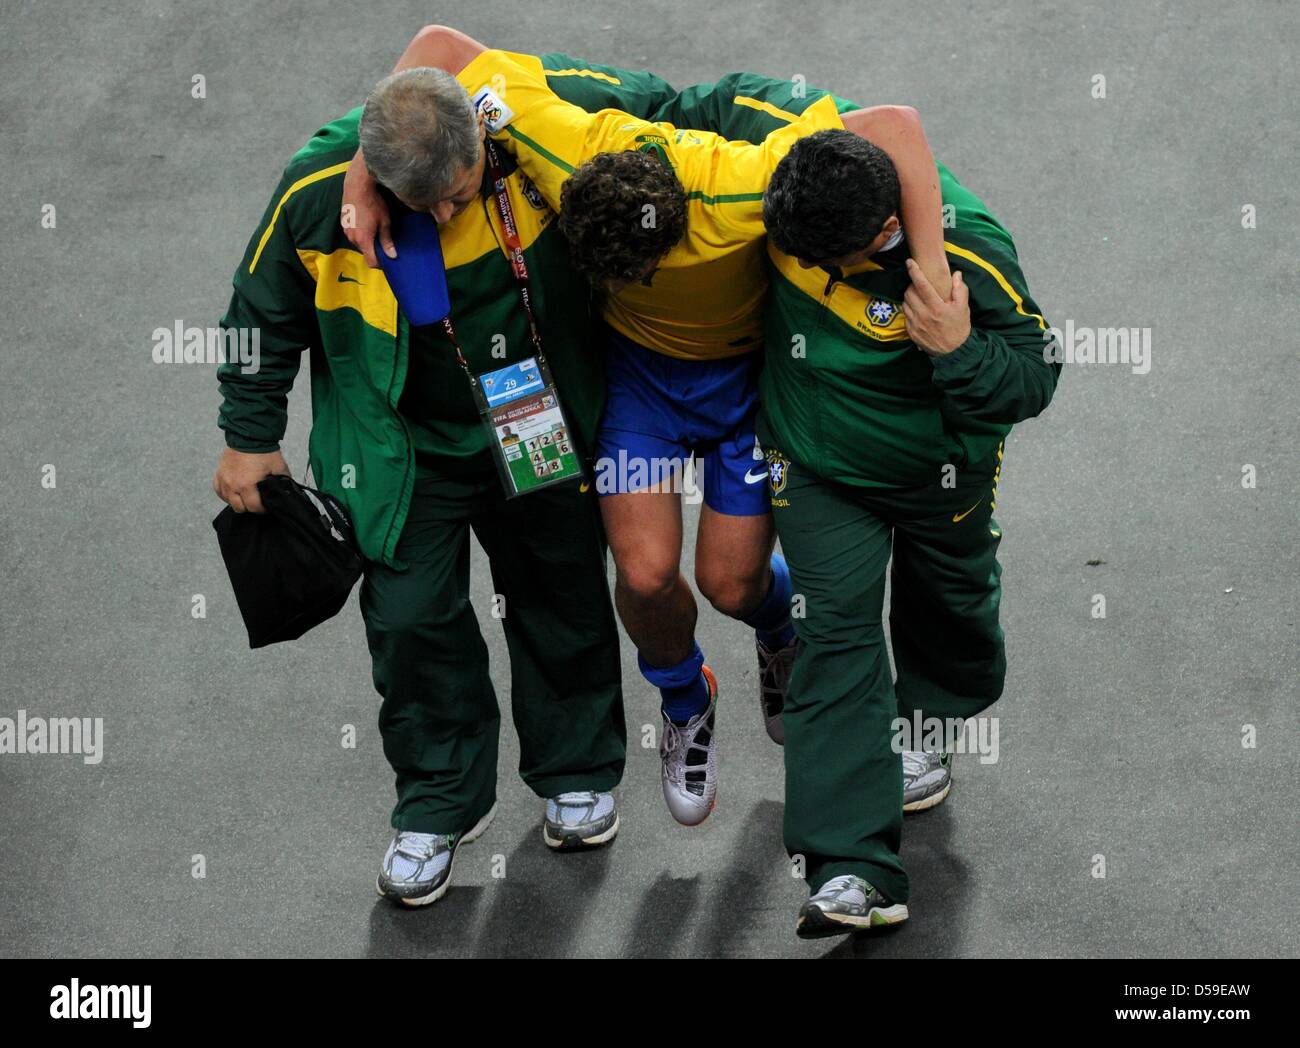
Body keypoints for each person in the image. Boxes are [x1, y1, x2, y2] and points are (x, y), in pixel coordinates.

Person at [344, 27, 950, 830]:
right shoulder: (553, 136)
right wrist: (366, 171)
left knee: (730, 582)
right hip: (640, 388)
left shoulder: (738, 184)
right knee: (643, 575)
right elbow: (434, 45)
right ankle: (684, 698)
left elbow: (895, 123)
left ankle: (777, 629)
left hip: (741, 385)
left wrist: (935, 276)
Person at [212, 43, 681, 907]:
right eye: (421, 200)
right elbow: (259, 312)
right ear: (371, 168)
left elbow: (666, 103)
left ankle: (576, 772)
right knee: (412, 620)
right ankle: (436, 802)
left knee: (560, 590)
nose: (444, 208)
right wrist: (250, 434)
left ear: (481, 136)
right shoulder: (318, 191)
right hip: (398, 444)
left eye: (459, 192)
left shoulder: (535, 125)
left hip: (533, 418)